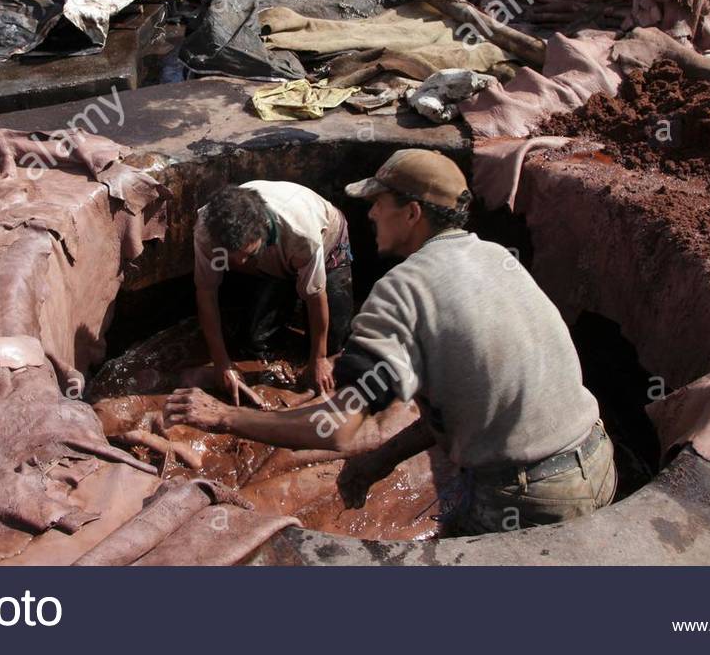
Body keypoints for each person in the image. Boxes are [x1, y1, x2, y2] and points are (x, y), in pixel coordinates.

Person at [166, 150, 616, 535]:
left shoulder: (402, 290)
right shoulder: (496, 258)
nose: (370, 214)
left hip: (528, 495)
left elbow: (337, 429)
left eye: (378, 203)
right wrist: (380, 460)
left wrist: (225, 416)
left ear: (412, 213)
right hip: (597, 460)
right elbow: (468, 402)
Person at [192, 181, 354, 400]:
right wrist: (221, 362)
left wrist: (319, 358)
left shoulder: (301, 234)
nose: (238, 262)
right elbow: (206, 293)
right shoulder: (206, 231)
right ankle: (282, 290)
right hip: (271, 262)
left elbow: (316, 295)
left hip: (327, 244)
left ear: (262, 230)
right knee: (253, 341)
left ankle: (291, 295)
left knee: (333, 344)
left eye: (245, 252)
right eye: (231, 254)